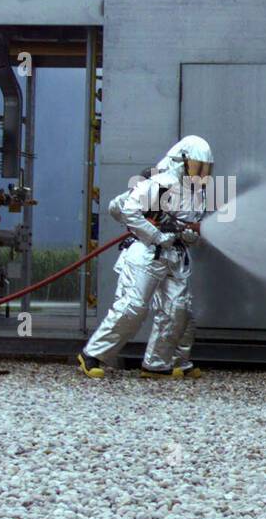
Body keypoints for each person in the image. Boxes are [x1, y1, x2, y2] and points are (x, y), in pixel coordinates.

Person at [77, 135, 214, 379]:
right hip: (146, 254)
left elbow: (191, 228)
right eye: (197, 166)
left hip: (175, 257)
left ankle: (157, 364)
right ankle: (92, 355)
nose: (201, 172)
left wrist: (189, 235)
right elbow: (126, 209)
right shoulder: (161, 183)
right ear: (181, 161)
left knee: (178, 310)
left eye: (205, 168)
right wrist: (158, 235)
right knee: (133, 307)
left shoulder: (198, 194)